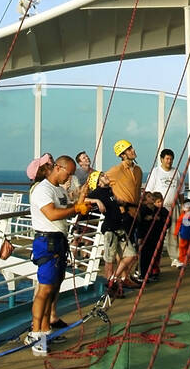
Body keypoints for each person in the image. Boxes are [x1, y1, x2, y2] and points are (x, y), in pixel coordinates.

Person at [25, 155, 91, 355]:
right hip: (47, 241)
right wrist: (76, 208)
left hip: (59, 240)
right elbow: (52, 214)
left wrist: (80, 200)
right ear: (58, 168)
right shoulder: (42, 189)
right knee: (44, 289)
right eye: (68, 173)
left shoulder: (58, 190)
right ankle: (36, 333)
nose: (69, 178)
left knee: (53, 289)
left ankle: (45, 330)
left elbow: (67, 210)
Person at [102, 140, 143, 292]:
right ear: (123, 154)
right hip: (122, 213)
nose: (133, 150)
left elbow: (137, 191)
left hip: (134, 211)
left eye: (132, 147)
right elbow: (101, 181)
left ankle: (124, 278)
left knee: (132, 247)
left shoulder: (138, 170)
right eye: (129, 149)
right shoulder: (115, 170)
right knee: (123, 250)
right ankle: (120, 279)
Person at [145, 148, 183, 260]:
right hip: (159, 207)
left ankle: (175, 258)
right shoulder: (155, 172)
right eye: (167, 159)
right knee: (157, 232)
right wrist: (150, 206)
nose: (169, 161)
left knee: (174, 233)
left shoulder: (176, 172)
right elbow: (149, 191)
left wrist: (182, 206)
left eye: (171, 159)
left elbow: (181, 191)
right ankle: (155, 256)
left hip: (173, 206)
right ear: (161, 159)